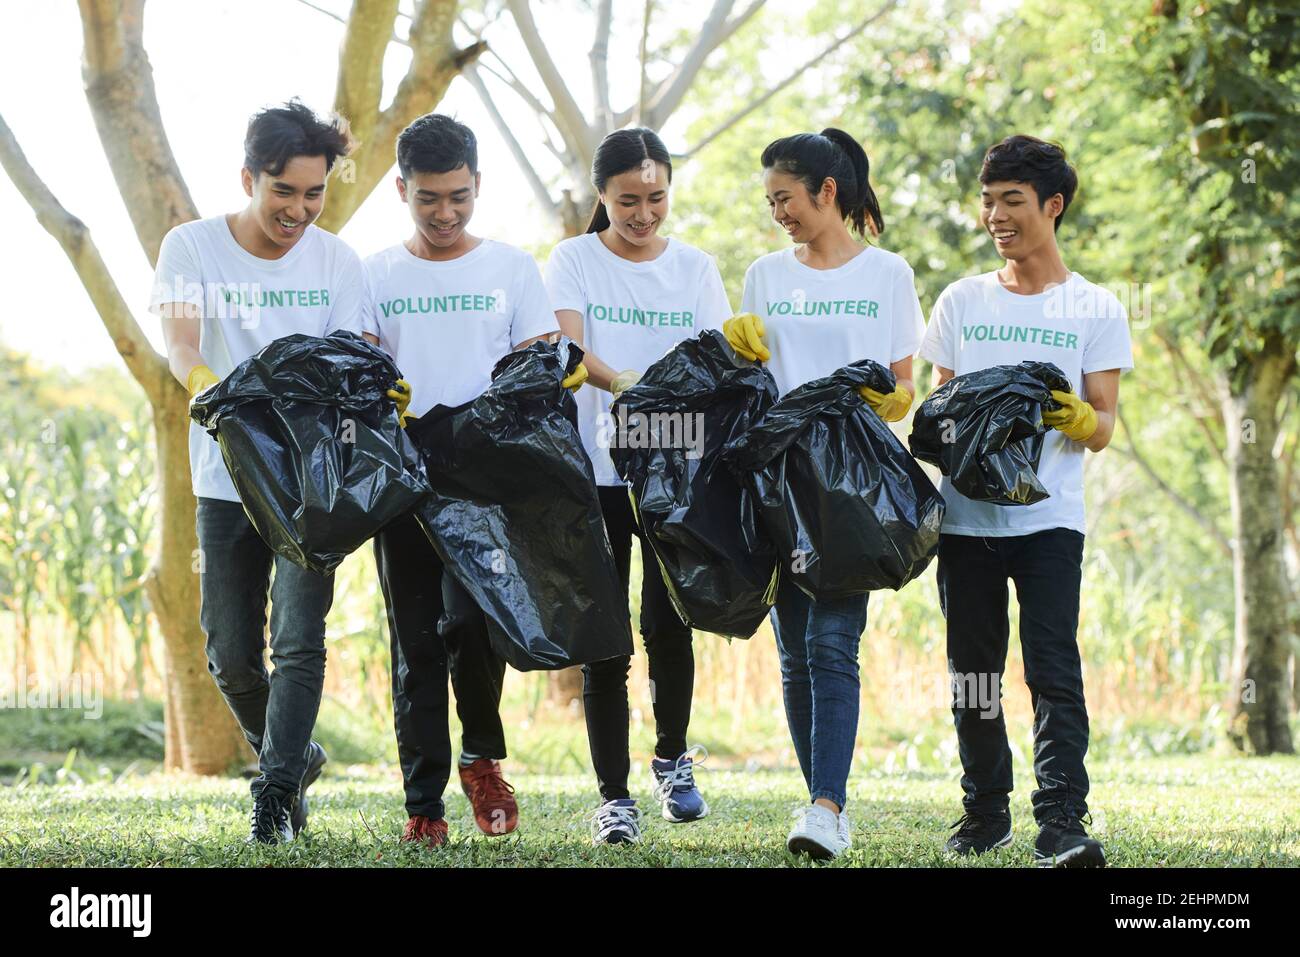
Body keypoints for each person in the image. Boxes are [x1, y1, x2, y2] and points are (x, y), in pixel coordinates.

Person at [360, 114, 580, 849]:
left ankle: (482, 758)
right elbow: (361, 367)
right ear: (402, 190)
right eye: (428, 198)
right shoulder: (375, 275)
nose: (445, 212)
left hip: (487, 480)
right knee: (416, 641)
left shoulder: (513, 269)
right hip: (404, 478)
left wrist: (559, 365)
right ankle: (424, 804)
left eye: (459, 195)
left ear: (477, 185)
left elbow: (537, 369)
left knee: (475, 622)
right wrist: (378, 391)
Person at [152, 99, 364, 844]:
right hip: (226, 474)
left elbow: (357, 353)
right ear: (249, 177)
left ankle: (273, 795)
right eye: (284, 192)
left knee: (300, 639)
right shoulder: (192, 246)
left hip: (313, 481)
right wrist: (210, 383)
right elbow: (180, 340)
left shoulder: (337, 260)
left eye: (315, 193)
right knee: (230, 650)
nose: (300, 210)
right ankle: (295, 754)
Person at [919, 135, 1132, 868]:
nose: (995, 215)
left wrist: (1075, 416)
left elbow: (1103, 423)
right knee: (973, 672)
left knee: (1051, 669)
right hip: (967, 521)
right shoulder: (961, 300)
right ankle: (984, 812)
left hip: (1049, 523)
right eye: (987, 201)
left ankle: (1062, 819)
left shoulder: (1095, 306)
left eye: (1012, 200)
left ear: (1053, 206)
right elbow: (941, 403)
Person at [726, 129, 924, 859]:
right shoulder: (766, 275)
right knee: (794, 654)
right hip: (779, 480)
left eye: (786, 198)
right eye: (771, 200)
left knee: (834, 640)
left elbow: (906, 381)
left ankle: (824, 803)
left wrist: (890, 403)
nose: (778, 211)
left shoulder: (888, 274)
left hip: (852, 484)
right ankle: (824, 807)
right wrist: (734, 346)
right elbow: (754, 384)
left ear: (827, 192)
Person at [544, 128, 732, 845]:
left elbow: (714, 359)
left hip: (675, 472)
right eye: (628, 200)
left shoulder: (694, 268)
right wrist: (626, 381)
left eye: (656, 197)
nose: (644, 212)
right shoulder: (574, 259)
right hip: (595, 471)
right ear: (602, 195)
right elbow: (568, 344)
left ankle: (672, 757)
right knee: (605, 638)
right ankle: (613, 797)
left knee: (668, 620)